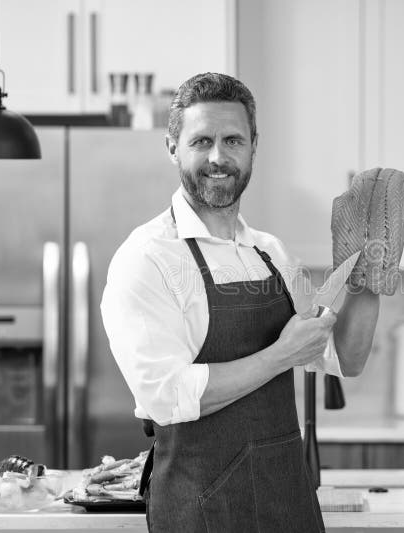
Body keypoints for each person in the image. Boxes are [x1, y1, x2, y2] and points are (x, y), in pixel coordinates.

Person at [100, 72, 380, 533]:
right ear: (172, 148)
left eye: (232, 140)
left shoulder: (270, 253)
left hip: (287, 503)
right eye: (201, 141)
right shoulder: (147, 257)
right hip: (200, 510)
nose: (218, 157)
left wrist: (370, 279)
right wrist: (279, 356)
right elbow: (168, 397)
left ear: (253, 146)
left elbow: (341, 356)